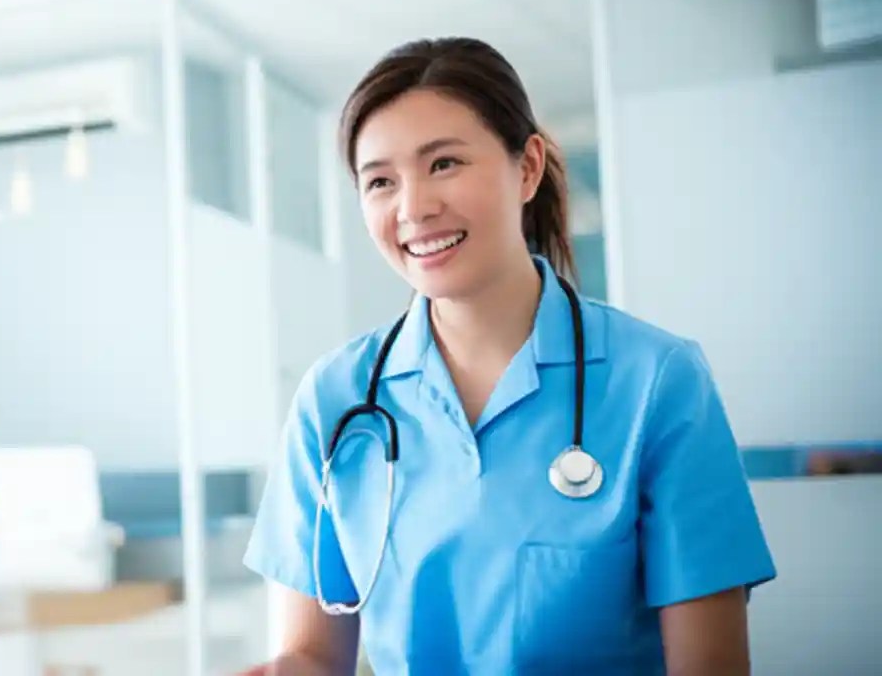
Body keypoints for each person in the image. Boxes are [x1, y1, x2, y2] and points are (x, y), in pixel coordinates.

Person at [240, 38, 776, 675]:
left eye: (444, 164)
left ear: (527, 168)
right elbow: (312, 657)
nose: (413, 207)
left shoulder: (656, 382)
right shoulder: (335, 399)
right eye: (380, 180)